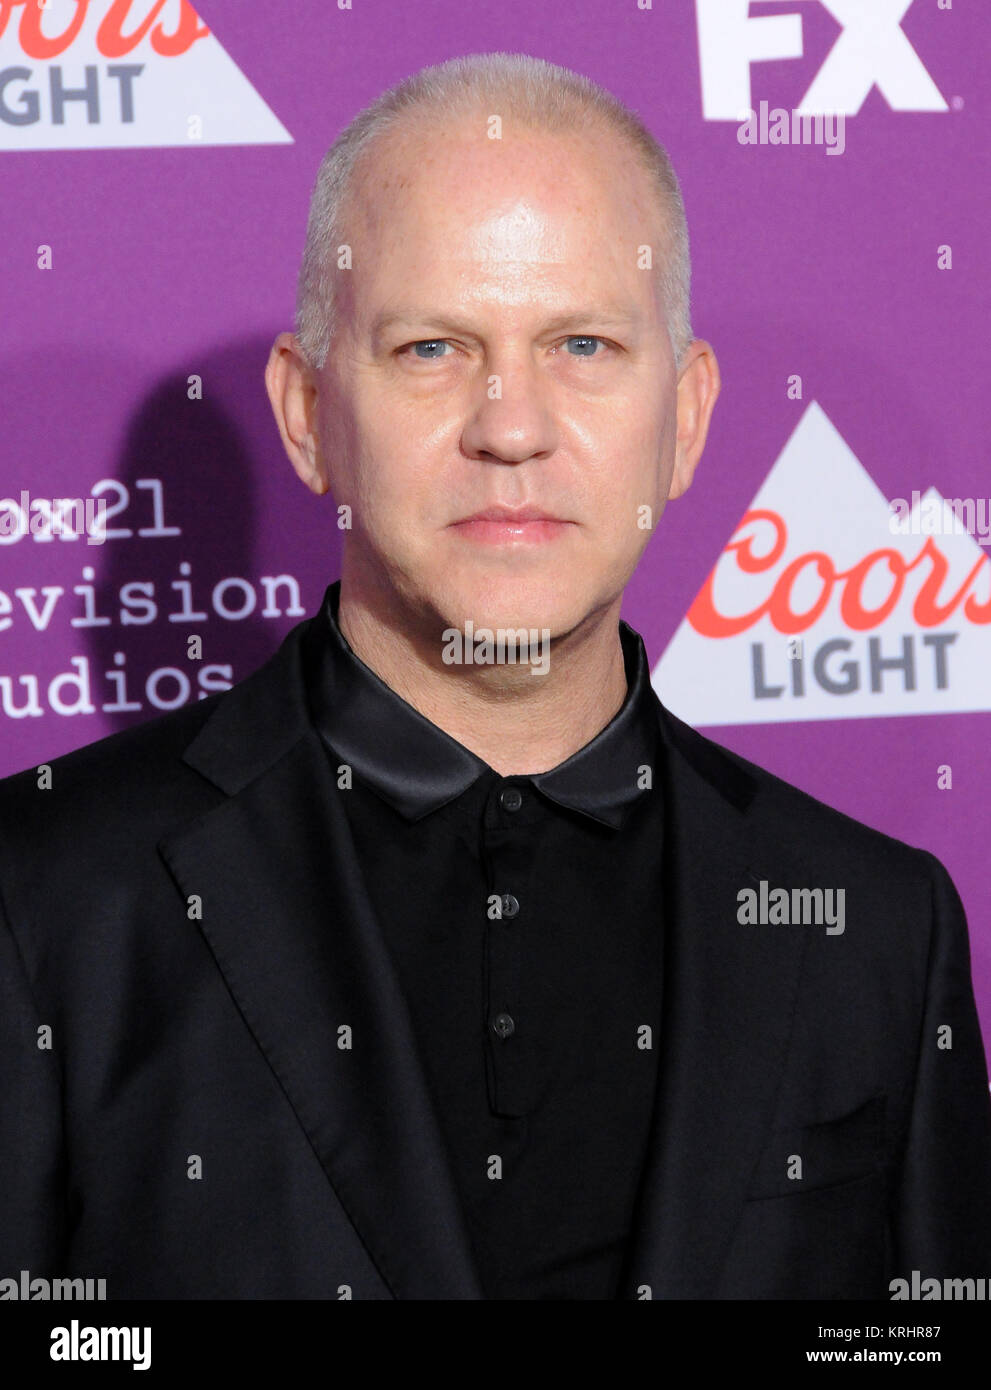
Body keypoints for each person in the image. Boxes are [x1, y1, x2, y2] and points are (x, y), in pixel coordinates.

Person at [0, 52, 988, 1301]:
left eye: (581, 343)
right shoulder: (45, 901)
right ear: (308, 415)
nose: (510, 426)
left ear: (682, 421)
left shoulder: (876, 928)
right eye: (430, 349)